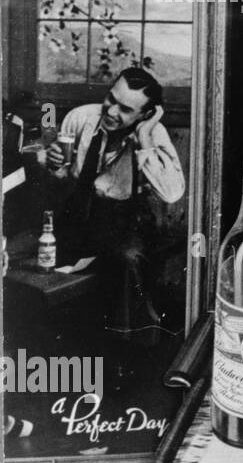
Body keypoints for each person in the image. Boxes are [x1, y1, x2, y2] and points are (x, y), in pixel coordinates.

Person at [44, 67, 185, 337]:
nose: (111, 111)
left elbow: (172, 193)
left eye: (125, 109)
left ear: (144, 114)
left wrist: (144, 138)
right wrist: (53, 166)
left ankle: (124, 342)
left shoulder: (154, 135)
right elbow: (59, 184)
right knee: (41, 260)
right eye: (111, 99)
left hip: (125, 224)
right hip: (77, 215)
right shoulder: (80, 118)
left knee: (126, 260)